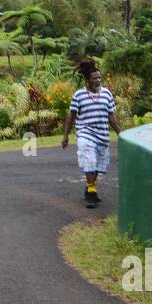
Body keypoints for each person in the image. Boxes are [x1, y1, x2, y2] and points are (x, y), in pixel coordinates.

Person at [61, 60, 120, 209]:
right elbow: (71, 115)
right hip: (85, 133)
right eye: (94, 78)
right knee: (89, 160)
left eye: (99, 77)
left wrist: (120, 133)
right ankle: (92, 193)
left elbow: (111, 116)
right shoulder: (79, 95)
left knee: (98, 165)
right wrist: (66, 135)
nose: (98, 80)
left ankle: (89, 187)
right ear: (87, 80)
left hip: (102, 135)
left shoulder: (107, 94)